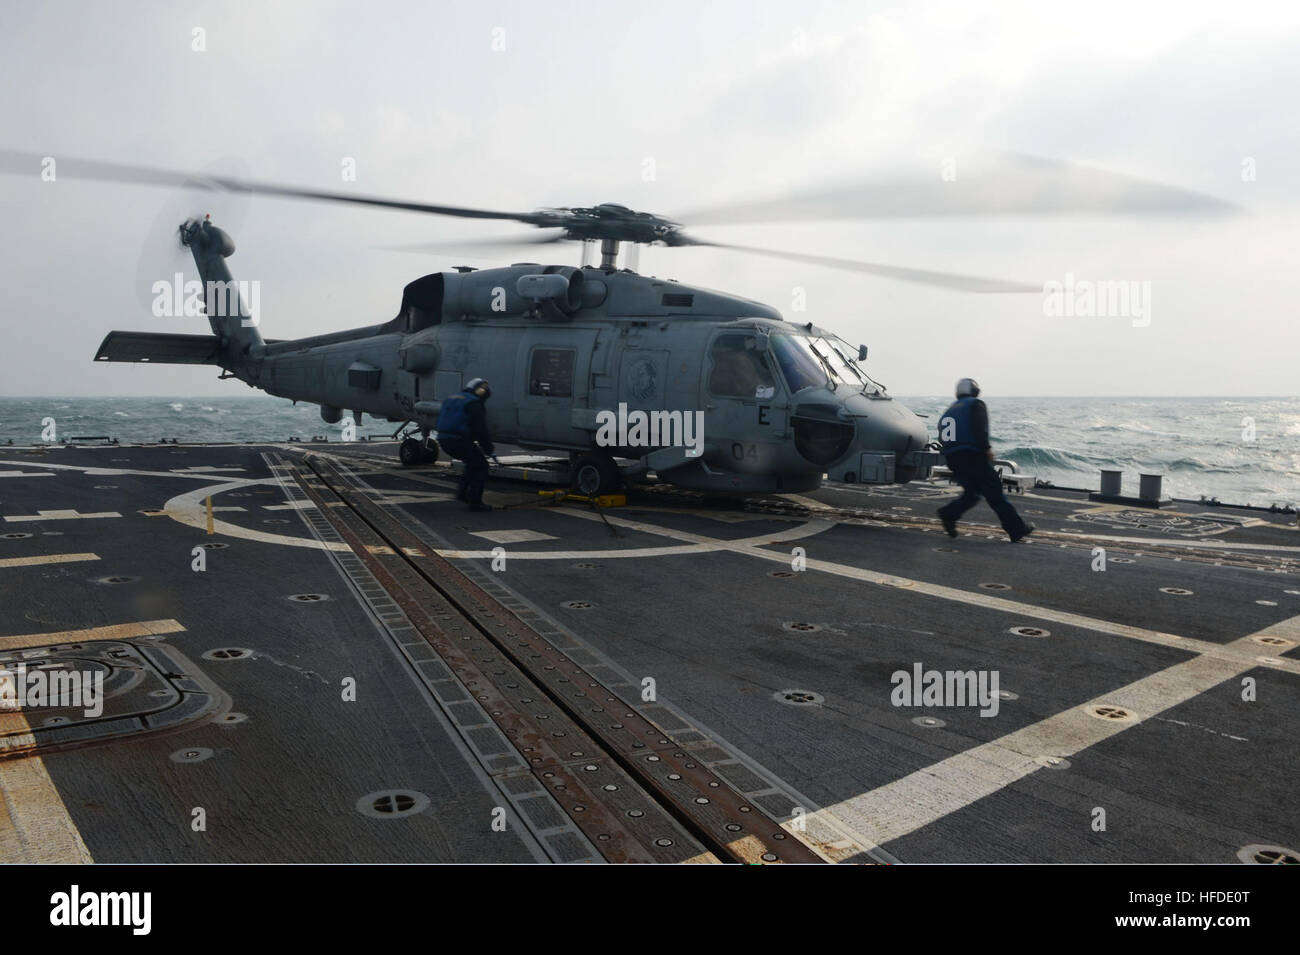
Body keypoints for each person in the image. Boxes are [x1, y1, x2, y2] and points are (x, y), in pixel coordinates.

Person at [936, 378, 1033, 542]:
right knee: (995, 492)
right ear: (974, 391)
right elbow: (979, 427)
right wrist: (986, 448)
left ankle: (949, 514)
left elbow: (942, 435)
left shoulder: (950, 410)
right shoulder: (975, 404)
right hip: (972, 456)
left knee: (972, 493)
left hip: (953, 458)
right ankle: (1016, 529)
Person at [436, 378, 496, 512]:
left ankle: (462, 493)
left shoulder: (453, 398)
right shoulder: (473, 403)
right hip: (458, 440)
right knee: (482, 466)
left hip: (444, 439)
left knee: (472, 463)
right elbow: (480, 429)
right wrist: (489, 449)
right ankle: (475, 502)